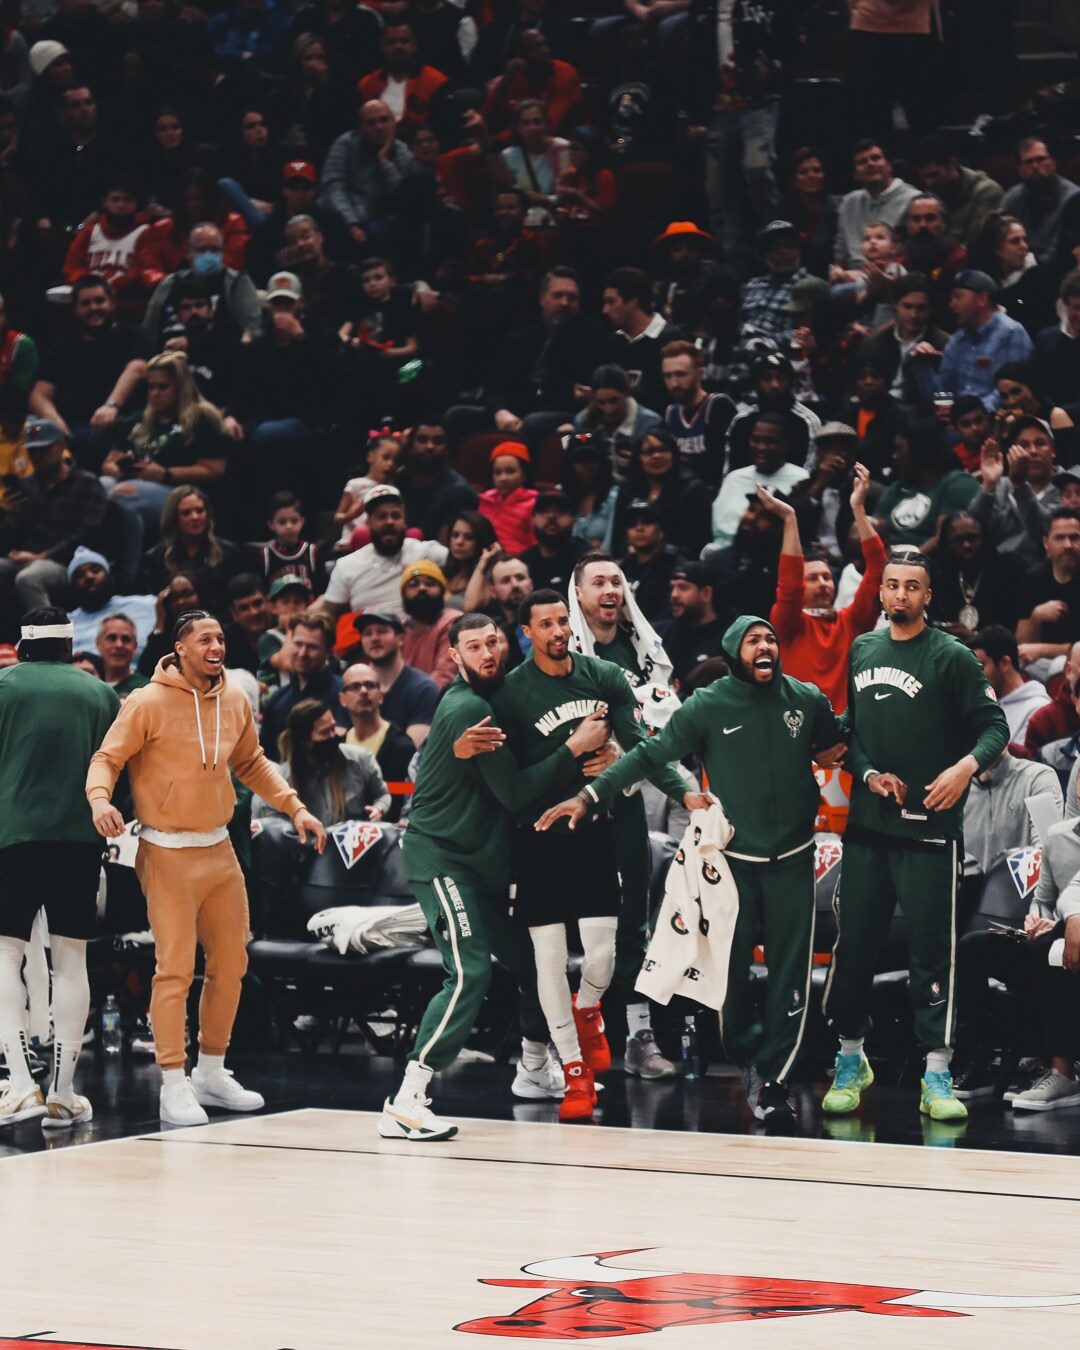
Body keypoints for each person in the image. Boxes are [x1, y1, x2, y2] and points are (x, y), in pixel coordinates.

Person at [539, 612, 844, 1130]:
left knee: (792, 977)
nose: (765, 646)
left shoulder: (807, 699)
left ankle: (776, 1079)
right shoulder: (707, 705)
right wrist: (589, 795)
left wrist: (868, 766)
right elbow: (648, 755)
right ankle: (749, 1057)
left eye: (771, 638)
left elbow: (841, 742)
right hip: (731, 862)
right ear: (732, 652)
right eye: (753, 641)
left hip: (795, 858)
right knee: (732, 977)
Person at [87, 610, 326, 1127]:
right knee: (174, 968)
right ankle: (172, 1082)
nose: (217, 646)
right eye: (205, 639)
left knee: (232, 963)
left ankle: (212, 1071)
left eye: (220, 638)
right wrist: (100, 800)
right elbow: (107, 757)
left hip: (220, 850)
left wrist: (295, 807)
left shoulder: (235, 698)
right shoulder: (147, 701)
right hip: (166, 851)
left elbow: (252, 762)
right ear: (180, 647)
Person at [380, 612, 611, 1140]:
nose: (487, 652)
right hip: (442, 858)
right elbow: (516, 793)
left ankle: (532, 1068)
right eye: (474, 646)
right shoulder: (469, 706)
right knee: (469, 973)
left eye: (493, 642)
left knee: (534, 965)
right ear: (453, 656)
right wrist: (575, 748)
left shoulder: (496, 697)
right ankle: (407, 1099)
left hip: (480, 863)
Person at [821, 551, 1010, 1123]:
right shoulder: (862, 649)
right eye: (892, 585)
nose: (900, 595)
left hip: (930, 833)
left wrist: (963, 769)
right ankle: (850, 1058)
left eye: (913, 587)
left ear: (929, 597)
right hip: (867, 830)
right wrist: (868, 771)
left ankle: (936, 1071)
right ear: (880, 592)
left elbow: (995, 726)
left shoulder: (952, 657)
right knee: (852, 951)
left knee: (933, 955)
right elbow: (850, 730)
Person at [494, 590, 696, 1121]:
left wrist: (684, 791)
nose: (558, 630)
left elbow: (644, 747)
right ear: (528, 634)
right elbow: (514, 784)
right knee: (549, 961)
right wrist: (578, 751)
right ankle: (575, 1073)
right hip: (537, 836)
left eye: (563, 620)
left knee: (603, 955)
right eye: (546, 624)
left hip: (594, 830)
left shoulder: (604, 676)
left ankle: (589, 1012)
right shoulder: (511, 693)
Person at [0, 607, 119, 1129]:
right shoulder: (100, 693)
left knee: (5, 954)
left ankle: (21, 1084)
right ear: (70, 647)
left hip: (12, 837)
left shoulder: (4, 686)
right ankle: (64, 1092)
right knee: (72, 960)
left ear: (23, 646)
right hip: (81, 839)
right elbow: (120, 769)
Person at [569, 552, 685, 1079]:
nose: (609, 589)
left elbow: (665, 727)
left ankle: (639, 1036)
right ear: (579, 595)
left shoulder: (647, 654)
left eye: (616, 581)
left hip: (628, 802)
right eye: (598, 582)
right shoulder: (560, 657)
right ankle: (561, 1043)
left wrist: (626, 753)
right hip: (568, 801)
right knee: (568, 927)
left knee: (633, 923)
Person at [99, 350, 232, 583]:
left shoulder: (204, 417)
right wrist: (123, 469)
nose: (155, 393)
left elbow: (214, 470)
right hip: (134, 484)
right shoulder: (138, 419)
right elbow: (107, 464)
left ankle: (127, 577)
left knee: (123, 498)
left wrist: (164, 474)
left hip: (182, 492)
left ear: (180, 387)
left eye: (162, 387)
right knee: (102, 485)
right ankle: (98, 564)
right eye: (151, 387)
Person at [764, 466, 885, 713]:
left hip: (843, 735)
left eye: (827, 577)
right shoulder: (787, 624)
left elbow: (878, 570)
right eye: (813, 578)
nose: (822, 583)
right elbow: (789, 587)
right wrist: (790, 520)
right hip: (795, 732)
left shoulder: (852, 621)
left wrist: (858, 510)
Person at [29, 274, 151, 471]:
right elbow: (39, 395)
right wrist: (55, 422)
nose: (93, 307)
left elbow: (137, 369)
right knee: (31, 428)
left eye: (99, 301)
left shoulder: (133, 335)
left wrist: (111, 406)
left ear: (111, 303)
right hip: (67, 428)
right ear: (75, 309)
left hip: (113, 426)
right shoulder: (63, 346)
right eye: (85, 303)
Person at [0, 416, 108, 610]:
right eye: (32, 452)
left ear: (61, 447)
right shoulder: (26, 486)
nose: (37, 457)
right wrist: (10, 516)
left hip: (68, 562)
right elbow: (8, 543)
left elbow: (89, 535)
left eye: (43, 450)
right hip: (26, 558)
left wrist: (42, 556)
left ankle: (49, 636)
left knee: (28, 578)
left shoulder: (86, 483)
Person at [317, 485, 447, 620]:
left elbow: (466, 559)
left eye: (395, 516)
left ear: (404, 522)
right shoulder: (346, 566)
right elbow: (328, 617)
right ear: (367, 523)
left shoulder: (425, 552)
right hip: (370, 637)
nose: (389, 522)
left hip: (418, 636)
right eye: (381, 516)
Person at [255, 698, 390, 824]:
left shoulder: (359, 759)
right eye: (325, 732)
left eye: (333, 728)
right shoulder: (283, 780)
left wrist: (379, 809)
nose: (333, 736)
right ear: (304, 741)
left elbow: (383, 795)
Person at [319, 99, 418, 249]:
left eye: (384, 120)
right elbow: (333, 188)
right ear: (360, 128)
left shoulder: (402, 150)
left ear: (393, 123)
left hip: (385, 219)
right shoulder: (345, 144)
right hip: (348, 215)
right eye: (371, 123)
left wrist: (385, 163)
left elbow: (405, 196)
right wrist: (351, 222)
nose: (379, 127)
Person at [936, 271, 1034, 411]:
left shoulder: (1011, 333)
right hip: (959, 421)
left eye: (958, 297)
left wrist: (974, 412)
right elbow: (943, 386)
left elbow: (1015, 389)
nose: (951, 304)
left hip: (995, 419)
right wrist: (944, 405)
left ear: (982, 299)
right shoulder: (957, 339)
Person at [710, 414, 809, 552]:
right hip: (722, 554)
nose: (762, 447)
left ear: (786, 445)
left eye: (770, 441)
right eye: (756, 440)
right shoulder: (734, 478)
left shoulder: (802, 478)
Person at [873, 418, 976, 549]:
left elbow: (942, 540)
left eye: (899, 449)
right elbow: (876, 527)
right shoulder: (899, 487)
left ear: (919, 449)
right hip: (887, 559)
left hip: (924, 563)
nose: (894, 456)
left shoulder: (957, 483)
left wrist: (906, 563)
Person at [610, 428, 712, 560]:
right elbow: (618, 540)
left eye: (663, 450)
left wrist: (655, 552)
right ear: (638, 458)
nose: (657, 456)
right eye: (649, 452)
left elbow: (698, 542)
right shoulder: (628, 491)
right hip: (633, 563)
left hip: (678, 565)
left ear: (674, 454)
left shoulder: (693, 490)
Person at [261, 609, 348, 756]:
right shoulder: (277, 701)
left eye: (312, 647)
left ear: (328, 652)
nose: (302, 654)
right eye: (298, 644)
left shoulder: (344, 694)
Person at [339, 661, 417, 823]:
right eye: (354, 686)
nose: (363, 691)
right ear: (342, 699)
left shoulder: (402, 747)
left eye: (369, 685)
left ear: (380, 696)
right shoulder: (337, 746)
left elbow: (403, 801)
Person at [140, 486, 241, 610]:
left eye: (199, 511)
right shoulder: (156, 556)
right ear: (174, 518)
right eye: (186, 513)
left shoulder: (228, 552)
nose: (195, 517)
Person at [602, 267, 683, 415]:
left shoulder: (669, 338)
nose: (605, 310)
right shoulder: (614, 341)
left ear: (633, 301)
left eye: (611, 302)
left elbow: (665, 393)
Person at [354, 609, 439, 748]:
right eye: (367, 633)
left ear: (400, 639)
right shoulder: (352, 687)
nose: (374, 638)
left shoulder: (423, 688)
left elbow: (411, 753)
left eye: (382, 631)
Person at [833, 141, 921, 271]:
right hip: (852, 276)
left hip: (895, 275)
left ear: (889, 165)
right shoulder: (847, 203)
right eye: (862, 162)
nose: (870, 164)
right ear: (855, 174)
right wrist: (837, 271)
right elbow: (840, 256)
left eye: (875, 158)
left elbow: (914, 254)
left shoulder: (915, 200)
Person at [660, 340, 735, 491]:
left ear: (700, 374)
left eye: (681, 374)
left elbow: (718, 467)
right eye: (668, 376)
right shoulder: (671, 413)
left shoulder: (718, 406)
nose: (674, 383)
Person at [909, 137, 1004, 250]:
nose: (928, 183)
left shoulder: (986, 191)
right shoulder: (931, 192)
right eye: (923, 177)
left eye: (934, 175)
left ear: (953, 163)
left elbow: (976, 244)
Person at [1000, 138, 1079, 269]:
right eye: (1028, 162)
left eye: (1041, 159)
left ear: (1053, 162)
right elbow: (997, 238)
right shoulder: (1012, 197)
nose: (1035, 166)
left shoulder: (1074, 199)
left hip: (1055, 270)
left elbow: (1060, 254)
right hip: (1015, 266)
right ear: (1019, 169)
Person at [67, 546, 156, 656]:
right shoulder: (66, 622)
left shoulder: (148, 604)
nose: (89, 576)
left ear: (109, 575)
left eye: (95, 570)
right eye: (80, 575)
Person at [972, 624, 1052, 743]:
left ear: (1004, 663)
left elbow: (1026, 759)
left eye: (981, 665)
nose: (975, 675)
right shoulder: (985, 708)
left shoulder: (1039, 709)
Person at [740, 220, 811, 344]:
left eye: (789, 245)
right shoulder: (752, 285)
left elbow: (803, 335)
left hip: (781, 355)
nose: (783, 251)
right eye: (776, 247)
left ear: (798, 250)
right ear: (765, 255)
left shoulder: (809, 286)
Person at [660, 560, 730, 685]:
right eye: (672, 588)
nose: (674, 595)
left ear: (706, 593)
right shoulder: (660, 633)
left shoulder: (728, 639)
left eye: (683, 588)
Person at [517, 489, 588, 596]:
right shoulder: (523, 562)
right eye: (544, 511)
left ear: (573, 520)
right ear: (532, 519)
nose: (551, 516)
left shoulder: (586, 560)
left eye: (559, 511)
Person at [618, 498, 679, 623]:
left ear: (660, 529)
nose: (639, 528)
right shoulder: (623, 567)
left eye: (647, 522)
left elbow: (669, 617)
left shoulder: (674, 566)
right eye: (632, 524)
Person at [400, 560, 456, 690]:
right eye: (414, 584)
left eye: (430, 583)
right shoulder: (400, 630)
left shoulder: (453, 622)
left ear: (442, 591)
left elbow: (444, 676)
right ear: (403, 594)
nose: (422, 588)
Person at [478, 441, 538, 554]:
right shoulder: (485, 499)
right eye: (497, 472)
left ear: (524, 474)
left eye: (510, 471)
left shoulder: (534, 503)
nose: (503, 478)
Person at [222, 573, 272, 677]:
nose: (254, 612)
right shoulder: (224, 641)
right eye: (244, 608)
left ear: (268, 602)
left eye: (257, 603)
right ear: (234, 613)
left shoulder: (285, 628)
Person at [96, 612, 150, 700]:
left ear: (135, 646)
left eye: (126, 639)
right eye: (112, 638)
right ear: (98, 643)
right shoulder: (89, 687)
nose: (119, 645)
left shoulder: (146, 689)